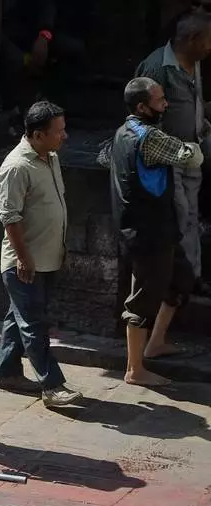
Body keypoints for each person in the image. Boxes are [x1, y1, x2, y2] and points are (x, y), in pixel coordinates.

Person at [110, 78, 201, 386]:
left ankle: (156, 342)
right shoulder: (148, 137)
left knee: (181, 279)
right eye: (160, 100)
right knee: (142, 298)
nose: (165, 104)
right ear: (141, 107)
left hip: (160, 228)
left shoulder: (122, 133)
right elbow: (191, 156)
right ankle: (135, 369)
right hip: (148, 233)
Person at [0, 101, 82, 408]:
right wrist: (23, 258)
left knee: (18, 318)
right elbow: (9, 216)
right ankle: (53, 386)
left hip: (47, 257)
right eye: (59, 131)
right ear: (38, 134)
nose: (65, 136)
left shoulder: (50, 158)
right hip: (25, 262)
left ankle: (7, 372)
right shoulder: (17, 166)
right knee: (33, 323)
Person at [136, 10, 211, 295]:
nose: (210, 47)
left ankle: (191, 277)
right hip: (167, 161)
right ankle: (174, 284)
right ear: (191, 40)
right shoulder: (156, 68)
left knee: (191, 216)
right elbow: (139, 124)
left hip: (192, 154)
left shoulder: (194, 64)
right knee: (178, 219)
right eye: (207, 40)